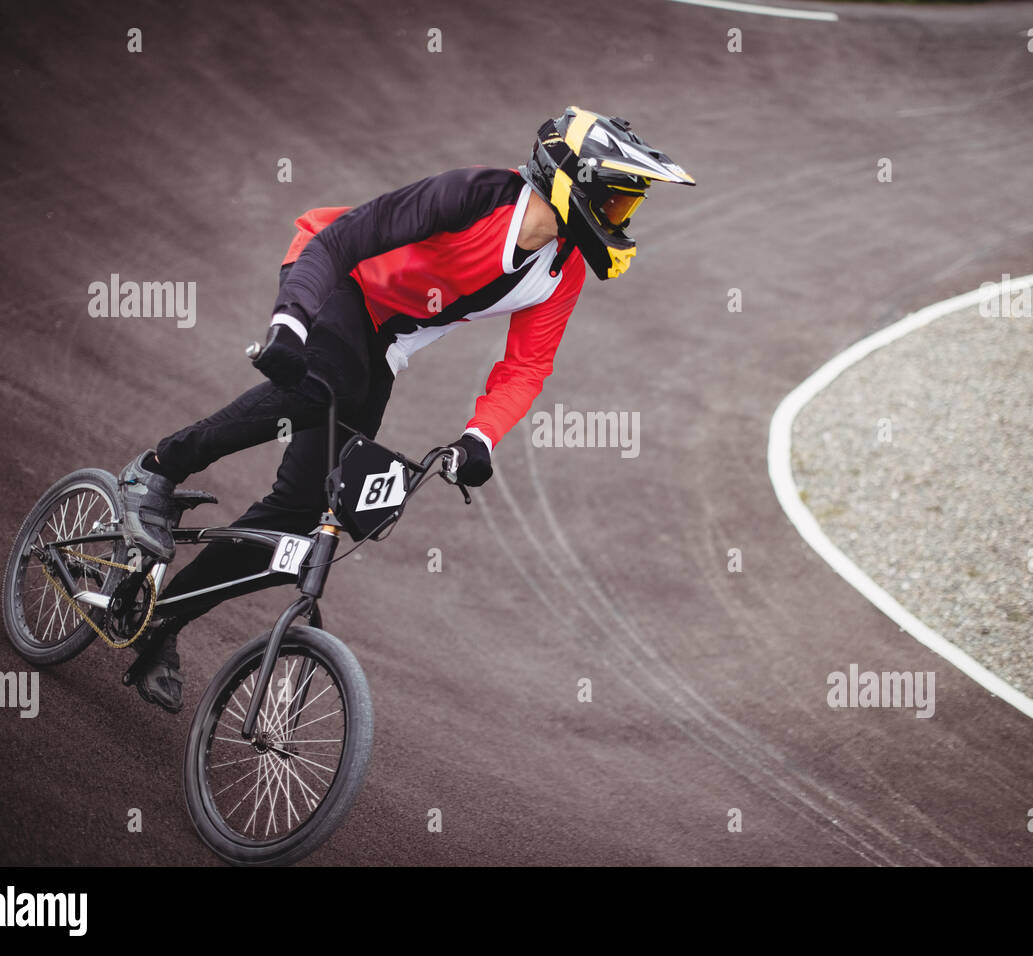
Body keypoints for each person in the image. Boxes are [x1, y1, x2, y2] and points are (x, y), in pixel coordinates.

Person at [116, 106, 695, 712]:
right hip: (337, 279)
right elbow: (343, 239)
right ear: (571, 185)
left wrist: (480, 438)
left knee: (302, 518)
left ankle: (159, 622)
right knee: (319, 384)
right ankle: (158, 467)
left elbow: (526, 368)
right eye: (616, 203)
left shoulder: (562, 269)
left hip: (384, 343)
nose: (620, 220)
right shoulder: (472, 196)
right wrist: (290, 321)